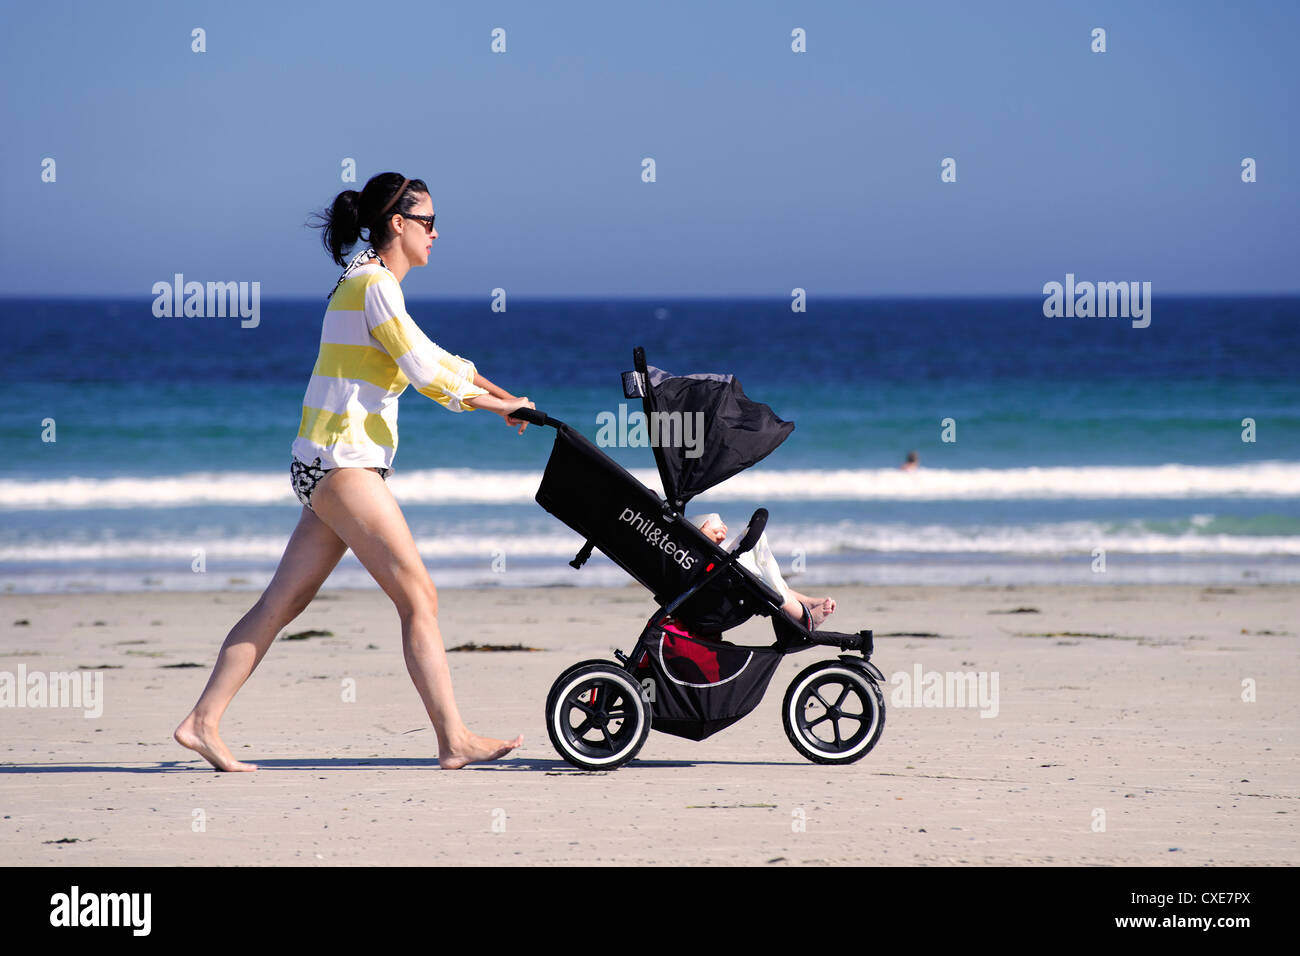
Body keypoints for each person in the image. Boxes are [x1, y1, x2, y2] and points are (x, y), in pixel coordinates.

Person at [174, 172, 532, 771]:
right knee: (419, 594)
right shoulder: (373, 285)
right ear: (399, 224)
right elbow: (423, 372)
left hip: (324, 465)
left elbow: (440, 357)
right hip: (344, 464)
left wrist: (504, 396)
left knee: (281, 602)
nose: (436, 234)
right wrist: (500, 408)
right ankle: (454, 740)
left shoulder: (368, 281)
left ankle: (201, 722)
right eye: (428, 222)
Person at [690, 513, 836, 630]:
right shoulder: (677, 547)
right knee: (756, 575)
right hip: (708, 600)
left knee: (758, 556)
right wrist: (706, 535)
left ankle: (804, 602)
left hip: (707, 578)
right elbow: (692, 557)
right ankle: (802, 616)